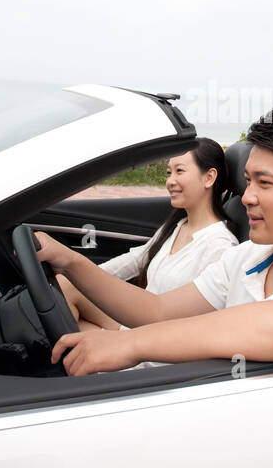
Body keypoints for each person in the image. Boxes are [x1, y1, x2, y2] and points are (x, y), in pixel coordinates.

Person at [36, 104, 273, 376]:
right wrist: (70, 261)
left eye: (265, 183)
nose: (247, 197)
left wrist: (129, 344)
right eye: (248, 181)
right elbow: (157, 311)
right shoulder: (249, 256)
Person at [60, 138, 239, 332]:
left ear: (209, 177)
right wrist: (85, 275)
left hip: (156, 343)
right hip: (136, 325)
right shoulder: (178, 225)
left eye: (180, 171)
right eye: (169, 172)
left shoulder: (220, 246)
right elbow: (137, 259)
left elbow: (194, 327)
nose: (170, 181)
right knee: (66, 284)